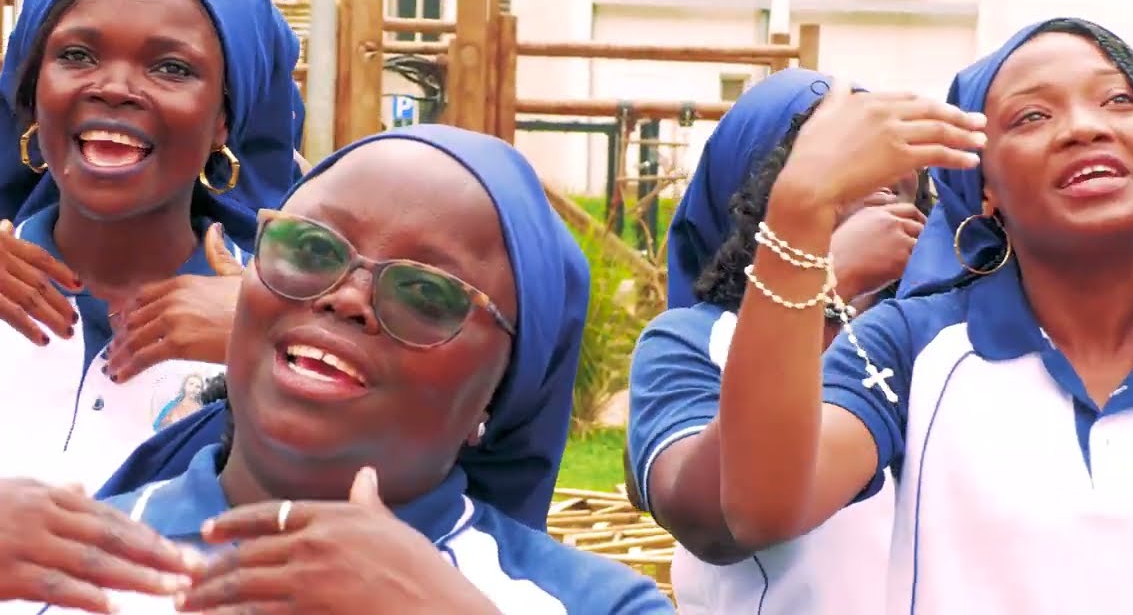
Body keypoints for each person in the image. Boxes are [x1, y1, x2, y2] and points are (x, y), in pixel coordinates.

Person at [711, 17, 1133, 614]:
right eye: (1033, 116)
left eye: (1118, 100)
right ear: (986, 190)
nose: (1085, 128)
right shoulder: (913, 348)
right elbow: (762, 507)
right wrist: (800, 205)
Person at [1, 126, 673, 615]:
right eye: (309, 248)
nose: (346, 298)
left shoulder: (596, 604)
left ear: (499, 390)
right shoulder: (43, 565)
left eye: (425, 294)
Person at [627, 68, 950, 614]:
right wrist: (827, 284)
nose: (880, 178)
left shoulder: (940, 336)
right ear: (752, 190)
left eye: (897, 176)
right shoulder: (691, 339)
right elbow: (710, 523)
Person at [0, 0, 303, 492]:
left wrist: (277, 340)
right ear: (31, 91)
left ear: (223, 121)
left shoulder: (289, 325)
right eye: (76, 55)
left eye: (172, 68)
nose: (114, 87)